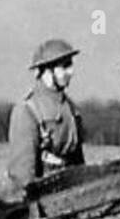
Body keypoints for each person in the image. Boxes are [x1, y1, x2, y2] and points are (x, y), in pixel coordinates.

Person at [5, 39, 85, 192]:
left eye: (71, 65)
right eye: (65, 66)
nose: (71, 72)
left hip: (72, 195)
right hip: (43, 198)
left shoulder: (72, 109)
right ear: (47, 71)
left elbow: (79, 164)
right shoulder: (27, 110)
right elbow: (22, 175)